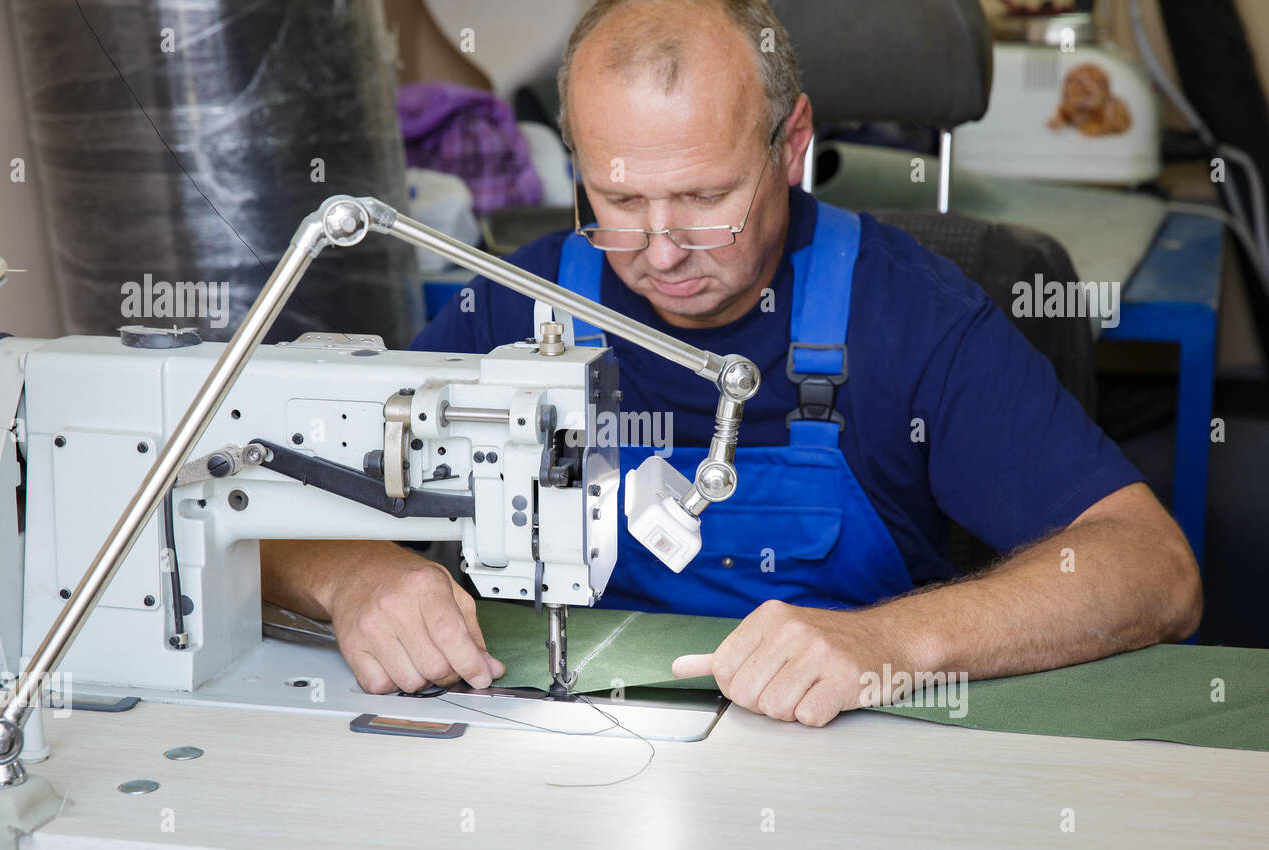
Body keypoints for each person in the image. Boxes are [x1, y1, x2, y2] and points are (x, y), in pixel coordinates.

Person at [261, 0, 1201, 726]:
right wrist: (352, 575)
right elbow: (251, 505)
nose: (661, 250)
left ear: (792, 147)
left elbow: (1153, 569)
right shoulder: (516, 301)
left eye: (706, 197)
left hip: (834, 753)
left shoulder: (909, 314)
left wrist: (885, 643)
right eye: (619, 198)